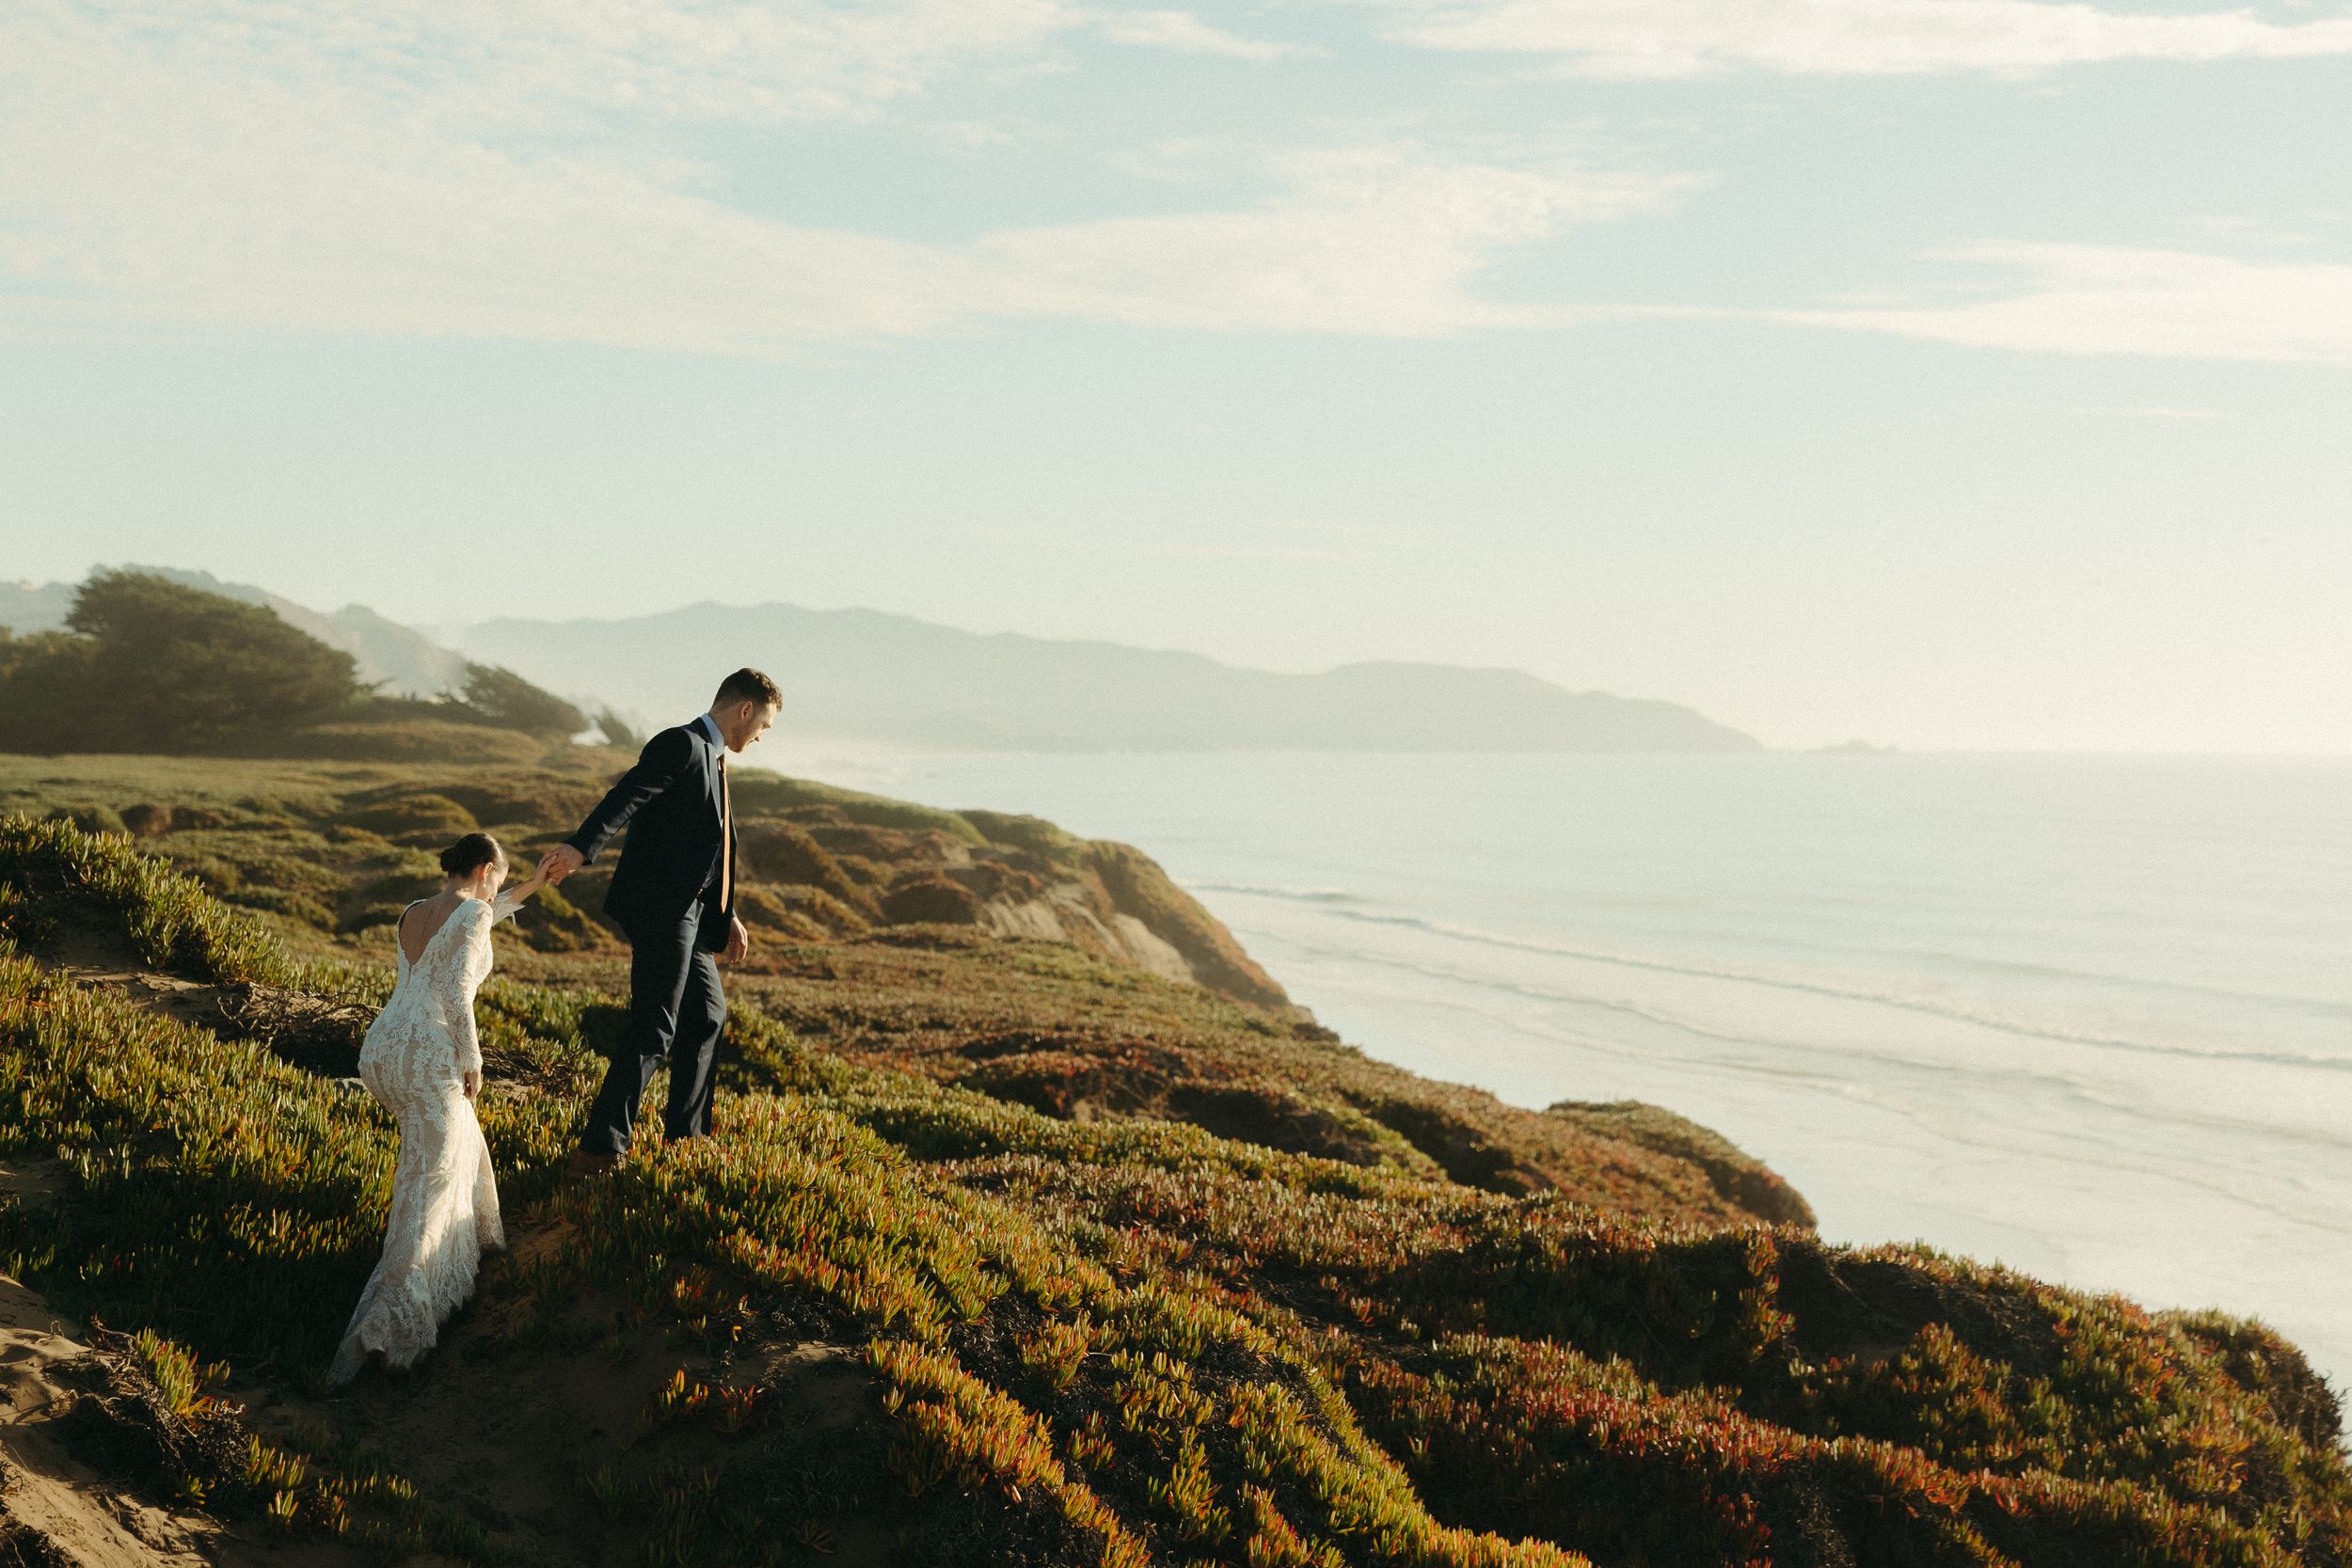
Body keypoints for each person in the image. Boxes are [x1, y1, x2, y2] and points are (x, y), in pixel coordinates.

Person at [540, 667, 779, 1174]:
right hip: (660, 911)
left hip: (692, 915)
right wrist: (582, 848)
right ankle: (599, 1150)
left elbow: (712, 848)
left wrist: (727, 914)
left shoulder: (714, 761)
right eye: (764, 724)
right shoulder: (682, 745)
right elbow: (625, 797)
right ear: (744, 710)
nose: (762, 736)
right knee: (654, 1028)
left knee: (708, 1016)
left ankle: (686, 1142)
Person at [330, 832, 548, 1383]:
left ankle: (482, 1242)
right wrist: (473, 1059)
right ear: (483, 868)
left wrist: (536, 884)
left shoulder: (414, 911)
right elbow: (455, 990)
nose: (498, 888)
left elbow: (472, 922)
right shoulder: (474, 914)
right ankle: (386, 1327)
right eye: (500, 876)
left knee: (450, 1151)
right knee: (425, 1185)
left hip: (383, 1051)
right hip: (429, 1053)